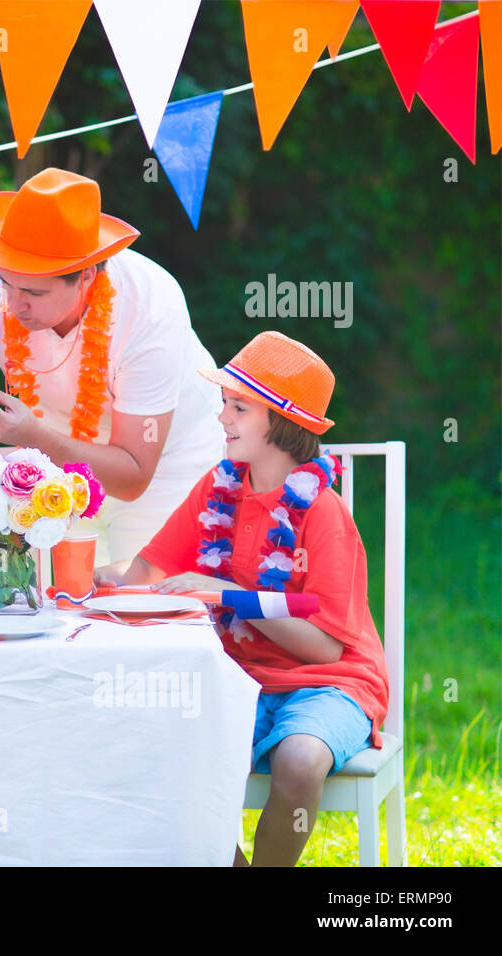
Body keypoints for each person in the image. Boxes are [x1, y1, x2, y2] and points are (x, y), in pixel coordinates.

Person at [96, 331, 390, 866]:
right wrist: (87, 578)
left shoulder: (324, 513)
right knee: (154, 742)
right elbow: (143, 571)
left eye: (239, 406)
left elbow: (324, 649)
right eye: (224, 404)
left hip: (329, 685)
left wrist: (234, 595)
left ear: (282, 421)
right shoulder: (218, 490)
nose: (222, 418)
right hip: (237, 675)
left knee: (299, 759)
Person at [0, 168, 225, 565]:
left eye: (34, 291)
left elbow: (134, 474)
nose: (15, 305)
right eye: (7, 284)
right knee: (55, 604)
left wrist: (34, 437)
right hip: (47, 464)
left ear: (86, 275)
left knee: (147, 607)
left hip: (166, 464)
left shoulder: (151, 305)